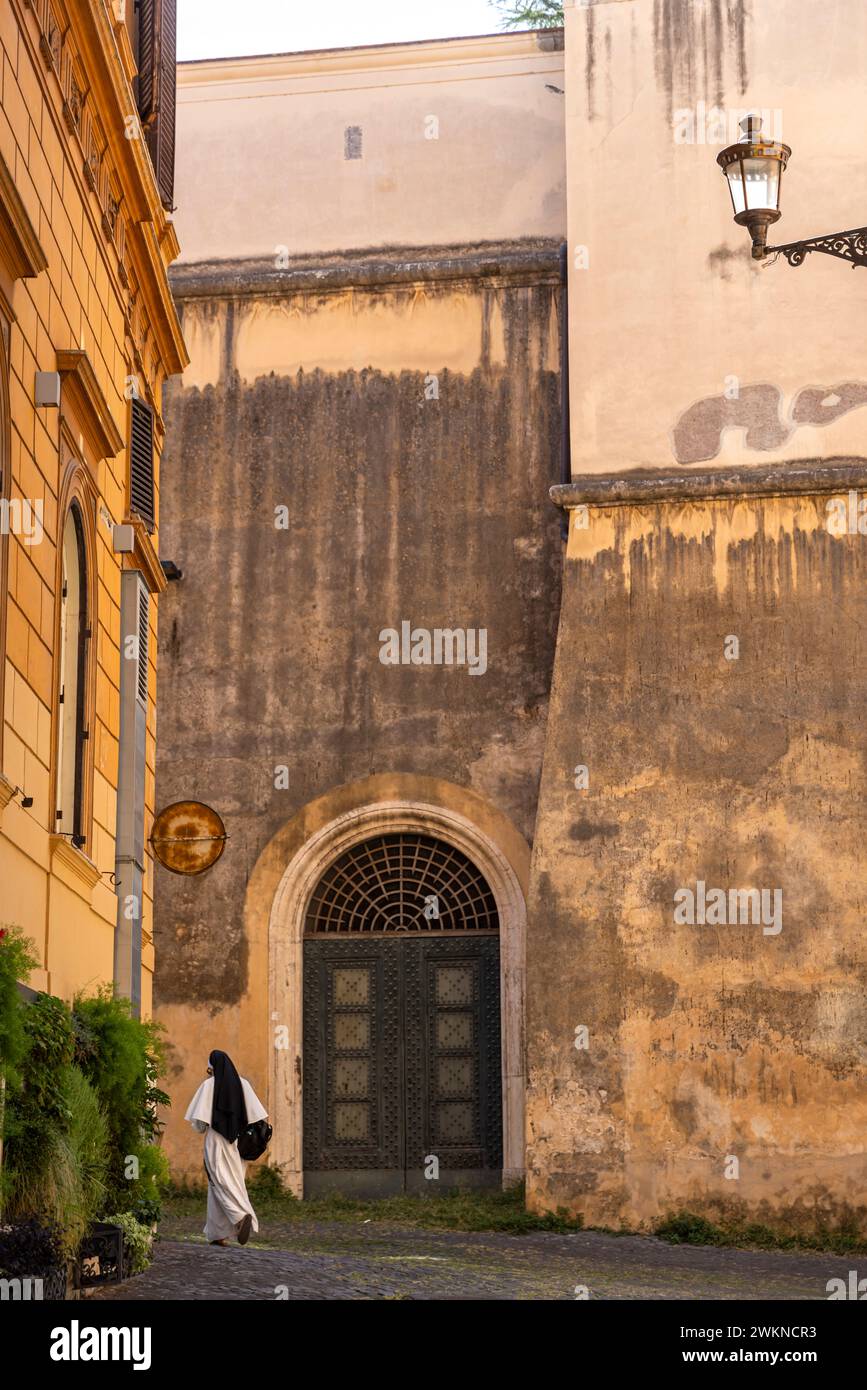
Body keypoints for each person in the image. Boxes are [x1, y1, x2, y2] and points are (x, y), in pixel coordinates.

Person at [184, 1050, 269, 1247]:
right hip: (237, 1144)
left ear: (213, 1067)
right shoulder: (243, 1085)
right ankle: (217, 1234)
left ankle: (240, 1217)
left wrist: (205, 1124)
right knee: (229, 1182)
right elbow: (257, 1116)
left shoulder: (209, 1086)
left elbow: (199, 1124)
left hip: (215, 1140)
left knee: (219, 1182)